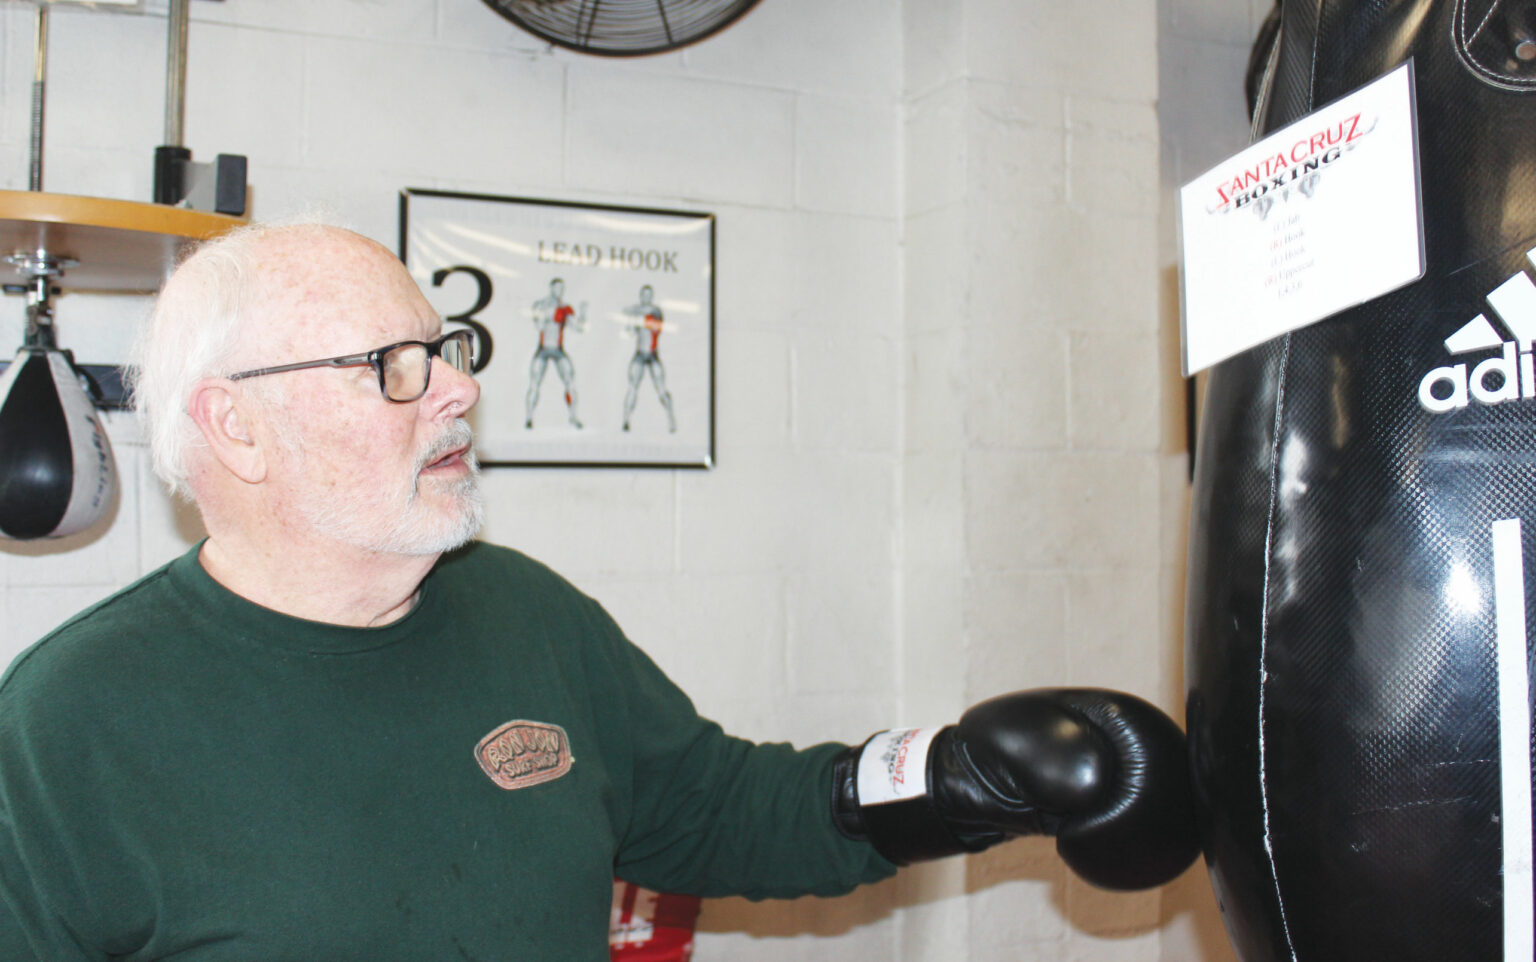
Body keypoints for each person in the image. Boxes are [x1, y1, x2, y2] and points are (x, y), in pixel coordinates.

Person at [0, 223, 1198, 961]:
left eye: (445, 350)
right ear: (236, 427)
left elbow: (723, 807)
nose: (457, 390)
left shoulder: (525, 612)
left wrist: (949, 777)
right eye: (392, 366)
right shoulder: (70, 722)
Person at [525, 276, 584, 429]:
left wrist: (583, 314)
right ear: (551, 289)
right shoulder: (542, 305)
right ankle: (529, 417)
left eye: (561, 288)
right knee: (534, 383)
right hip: (543, 349)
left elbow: (577, 327)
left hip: (558, 349)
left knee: (570, 382)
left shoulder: (565, 308)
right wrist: (547, 315)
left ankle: (573, 417)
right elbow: (539, 326)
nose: (560, 291)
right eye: (557, 288)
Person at [620, 284, 677, 433]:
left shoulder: (655, 311)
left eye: (648, 295)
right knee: (632, 387)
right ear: (641, 296)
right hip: (640, 354)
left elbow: (651, 321)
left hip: (652, 355)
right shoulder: (638, 312)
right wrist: (631, 320)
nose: (646, 298)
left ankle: (671, 419)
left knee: (661, 389)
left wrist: (634, 313)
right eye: (644, 295)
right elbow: (629, 331)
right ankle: (626, 420)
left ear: (651, 296)